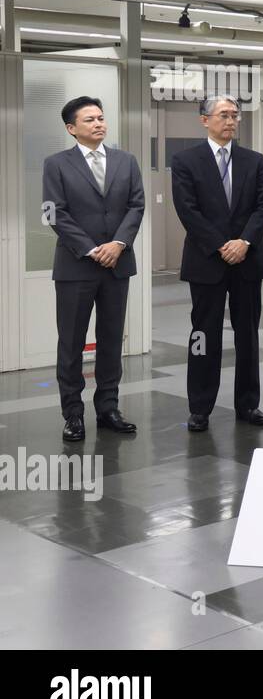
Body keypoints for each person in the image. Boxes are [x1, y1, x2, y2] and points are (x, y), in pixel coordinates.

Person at [42, 97, 145, 443]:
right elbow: (53, 213)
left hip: (118, 263)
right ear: (72, 128)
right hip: (76, 266)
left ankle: (108, 408)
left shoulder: (126, 161)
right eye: (90, 120)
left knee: (112, 340)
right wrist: (90, 248)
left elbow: (136, 205)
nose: (99, 124)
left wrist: (118, 244)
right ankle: (73, 414)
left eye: (101, 118)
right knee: (71, 343)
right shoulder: (56, 164)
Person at [171, 96, 263, 432]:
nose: (230, 121)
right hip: (206, 261)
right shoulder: (186, 161)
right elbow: (188, 210)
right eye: (223, 115)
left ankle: (249, 404)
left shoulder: (254, 160)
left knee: (248, 334)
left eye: (235, 115)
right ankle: (200, 407)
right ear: (204, 120)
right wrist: (220, 245)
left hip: (247, 260)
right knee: (203, 335)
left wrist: (244, 242)